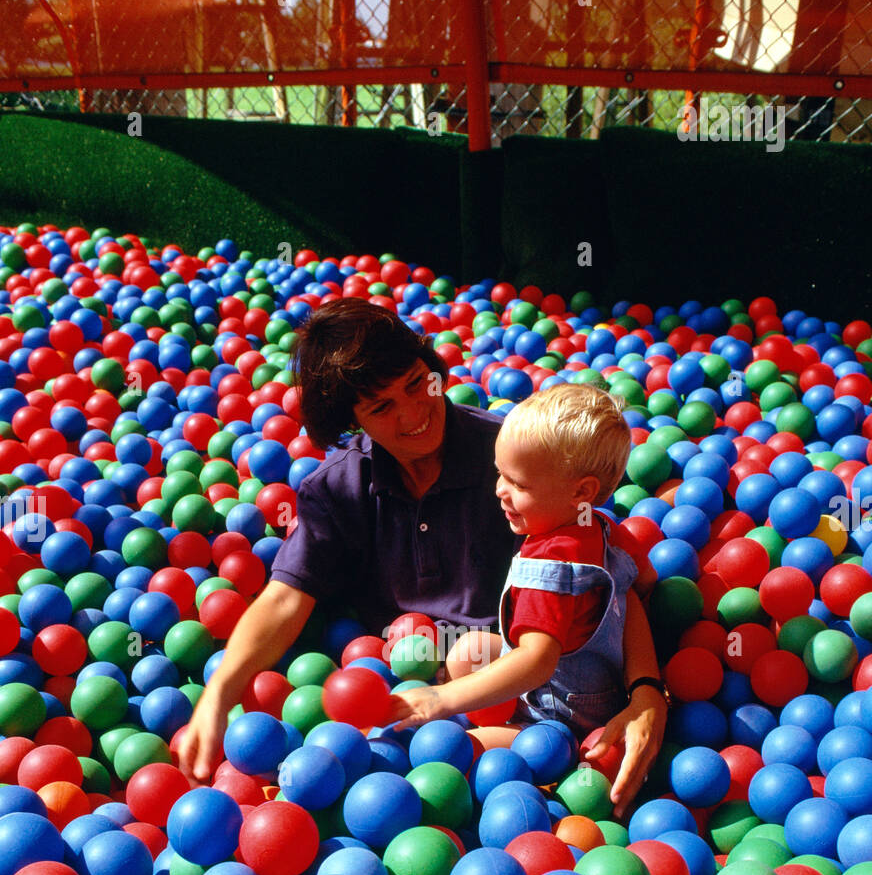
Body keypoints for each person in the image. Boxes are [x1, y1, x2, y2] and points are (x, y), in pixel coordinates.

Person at [177, 300, 667, 814]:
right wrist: (218, 695)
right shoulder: (340, 489)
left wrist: (647, 692)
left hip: (516, 693)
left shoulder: (514, 460)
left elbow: (608, 581)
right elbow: (283, 601)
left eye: (417, 384)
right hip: (397, 684)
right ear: (353, 420)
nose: (413, 414)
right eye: (381, 407)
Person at [388, 382, 660, 752]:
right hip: (602, 673)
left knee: (452, 748)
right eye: (500, 474)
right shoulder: (601, 527)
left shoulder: (547, 569)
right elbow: (644, 581)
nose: (500, 490)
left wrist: (442, 699)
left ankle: (534, 740)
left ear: (581, 492)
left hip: (564, 710)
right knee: (468, 650)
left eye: (518, 483)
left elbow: (536, 661)